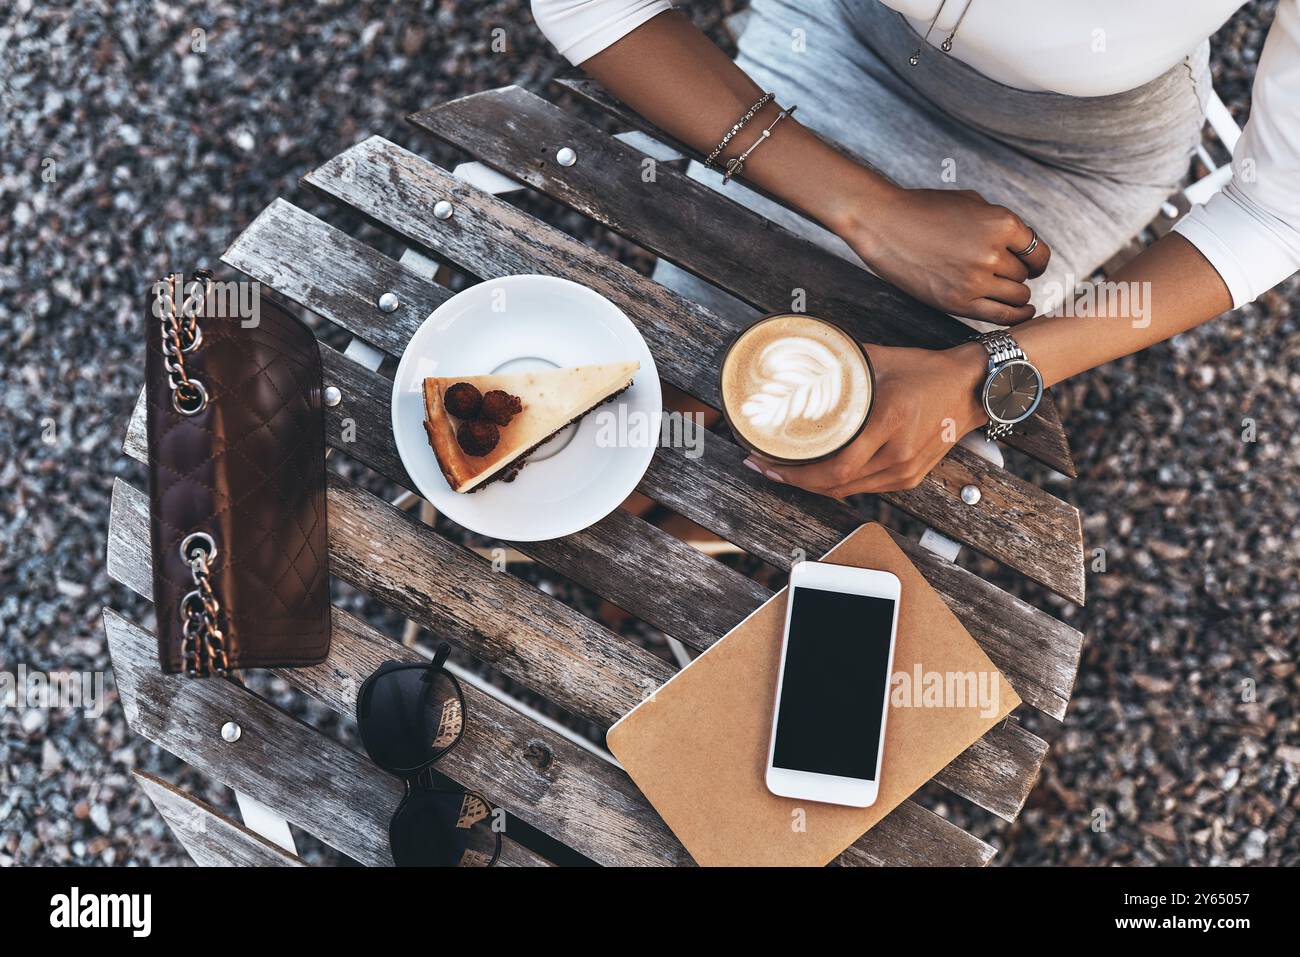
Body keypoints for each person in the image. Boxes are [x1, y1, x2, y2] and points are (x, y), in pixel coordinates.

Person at [529, 0, 1300, 498]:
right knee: (697, 362)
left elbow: (1276, 211)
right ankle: (653, 489)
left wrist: (983, 378)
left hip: (1073, 152)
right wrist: (866, 209)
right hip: (848, 34)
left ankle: (708, 517)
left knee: (849, 429)